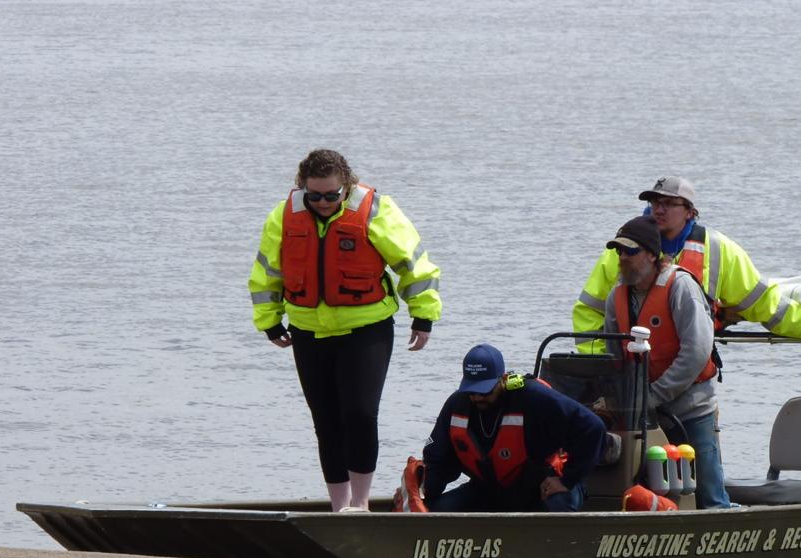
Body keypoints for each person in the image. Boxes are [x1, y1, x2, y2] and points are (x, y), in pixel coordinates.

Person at [248, 148, 442, 512]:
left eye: (331, 195)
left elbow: (413, 264)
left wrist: (424, 315)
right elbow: (266, 274)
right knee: (326, 420)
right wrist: (269, 321)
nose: (322, 202)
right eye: (314, 195)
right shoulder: (283, 217)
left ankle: (362, 503)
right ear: (302, 188)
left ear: (346, 186)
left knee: (360, 413)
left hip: (366, 329)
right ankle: (340, 507)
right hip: (307, 331)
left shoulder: (375, 210)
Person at [573, 175, 801, 351]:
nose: (659, 209)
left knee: (699, 437)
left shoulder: (717, 249)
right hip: (630, 370)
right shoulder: (622, 248)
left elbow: (760, 300)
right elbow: (589, 311)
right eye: (654, 202)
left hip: (689, 372)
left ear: (690, 211)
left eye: (668, 203)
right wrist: (602, 362)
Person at [601, 216, 730, 510]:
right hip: (639, 415)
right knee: (640, 491)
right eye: (618, 251)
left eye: (629, 251)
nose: (622, 258)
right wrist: (613, 397)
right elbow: (613, 357)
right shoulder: (616, 296)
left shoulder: (680, 286)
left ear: (650, 254)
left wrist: (654, 395)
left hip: (691, 409)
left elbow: (697, 351)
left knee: (708, 496)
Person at [422, 344, 606, 512]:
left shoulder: (533, 397)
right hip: (490, 491)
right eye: (472, 391)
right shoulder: (456, 405)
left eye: (485, 391)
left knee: (557, 505)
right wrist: (423, 493)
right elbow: (437, 460)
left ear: (503, 379)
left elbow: (593, 428)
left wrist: (567, 480)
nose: (477, 397)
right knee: (437, 509)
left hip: (543, 486)